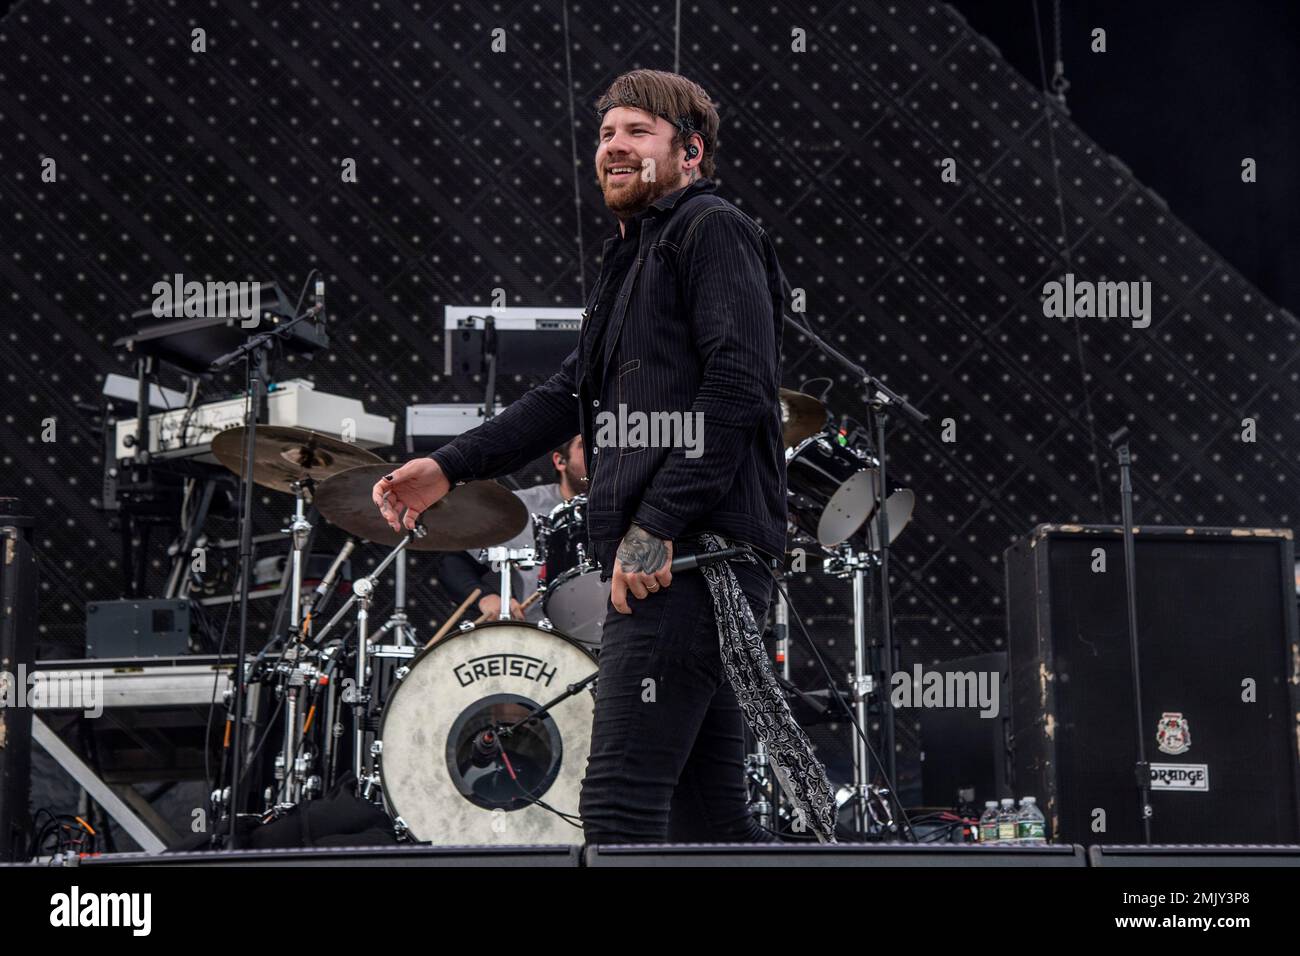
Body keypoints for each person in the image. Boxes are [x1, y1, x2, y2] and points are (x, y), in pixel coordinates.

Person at [374, 69, 836, 844]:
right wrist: (447, 468)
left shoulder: (710, 228)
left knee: (620, 806)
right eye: (605, 134)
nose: (612, 147)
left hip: (690, 562)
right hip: (683, 562)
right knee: (710, 818)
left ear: (690, 153)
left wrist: (658, 521)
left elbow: (739, 388)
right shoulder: (630, 260)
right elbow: (563, 398)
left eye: (636, 133)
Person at [436, 434, 586, 622]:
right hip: (540, 637)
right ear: (560, 461)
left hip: (618, 632)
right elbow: (455, 563)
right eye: (584, 446)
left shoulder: (631, 510)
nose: (596, 453)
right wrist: (487, 598)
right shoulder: (518, 508)